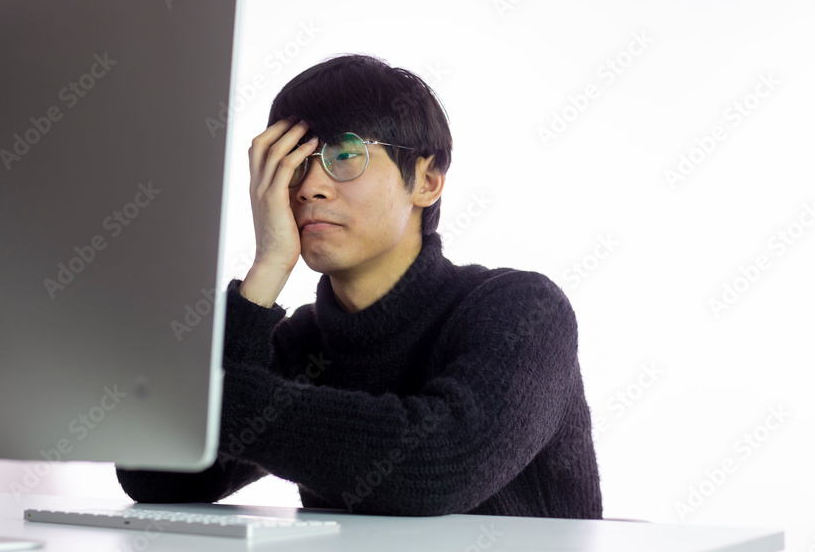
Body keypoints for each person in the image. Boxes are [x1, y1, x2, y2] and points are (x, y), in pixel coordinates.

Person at [117, 54, 603, 518]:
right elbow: (160, 478)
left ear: (427, 180)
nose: (310, 187)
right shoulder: (304, 345)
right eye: (294, 162)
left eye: (344, 155)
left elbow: (436, 463)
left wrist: (211, 397)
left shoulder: (523, 310)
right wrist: (266, 268)